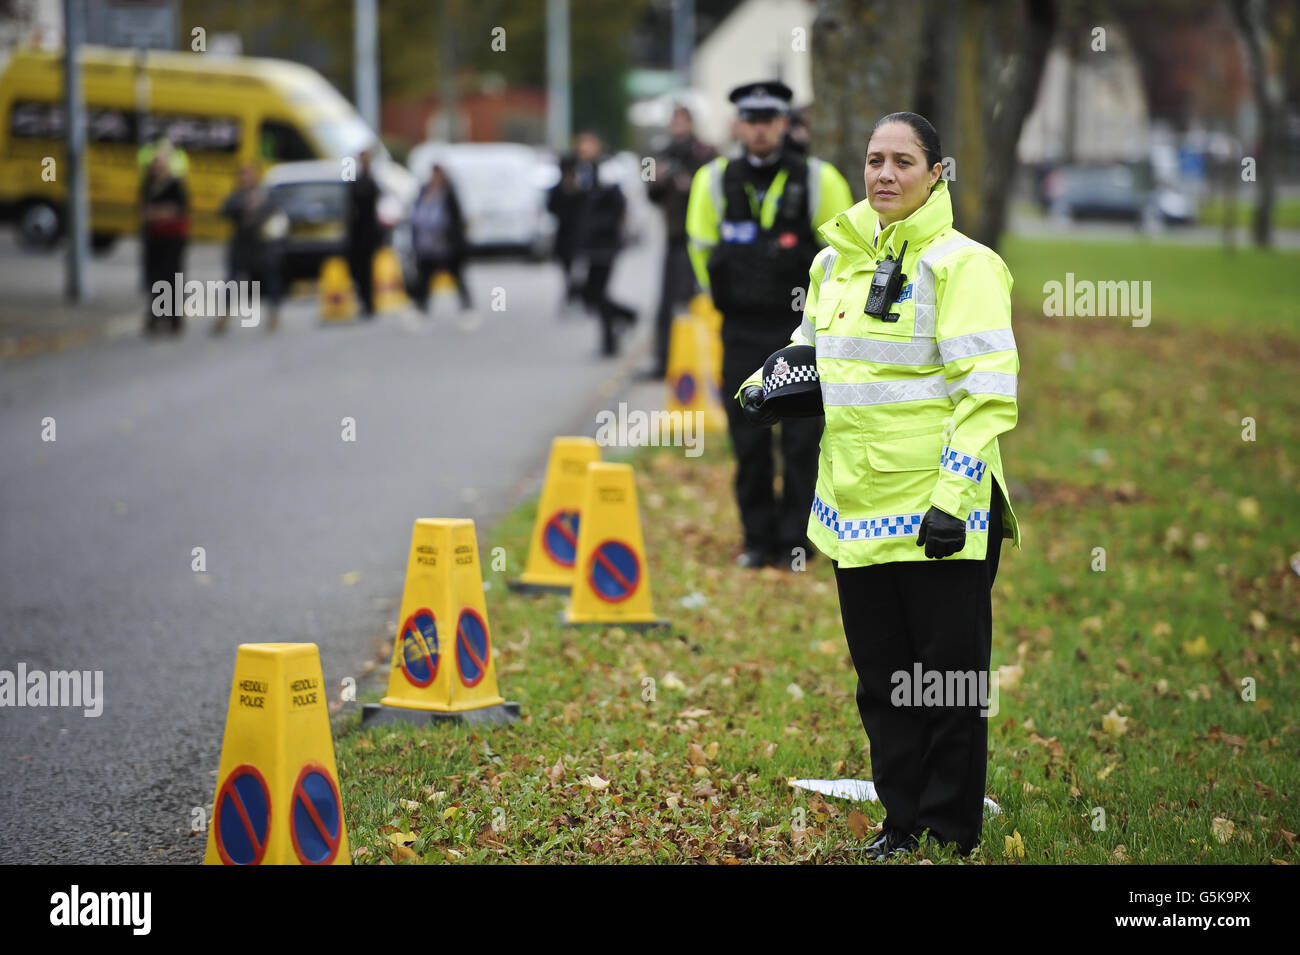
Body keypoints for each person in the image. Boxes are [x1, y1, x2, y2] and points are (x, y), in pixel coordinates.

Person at [735, 111, 1023, 860]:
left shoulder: (965, 265)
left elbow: (985, 395)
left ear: (937, 174)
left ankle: (953, 830)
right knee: (884, 684)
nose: (885, 174)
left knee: (948, 684)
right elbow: (811, 351)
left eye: (903, 160)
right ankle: (902, 823)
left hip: (940, 516)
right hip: (856, 515)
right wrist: (762, 386)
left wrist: (955, 500)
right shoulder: (834, 263)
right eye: (873, 160)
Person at [685, 81, 853, 569]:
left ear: (785, 123)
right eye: (751, 121)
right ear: (739, 126)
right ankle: (757, 540)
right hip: (740, 330)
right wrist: (725, 299)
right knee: (749, 439)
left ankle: (796, 543)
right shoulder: (715, 180)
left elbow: (842, 252)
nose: (760, 130)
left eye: (769, 120)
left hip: (800, 335)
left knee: (802, 441)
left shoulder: (819, 179)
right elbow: (699, 246)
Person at [645, 106, 716, 379]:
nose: (678, 128)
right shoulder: (663, 154)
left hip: (699, 237)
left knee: (697, 302)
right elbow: (651, 193)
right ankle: (664, 361)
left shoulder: (704, 152)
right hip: (674, 235)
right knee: (666, 305)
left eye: (682, 122)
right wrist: (660, 180)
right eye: (674, 123)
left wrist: (692, 181)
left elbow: (713, 184)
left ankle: (700, 363)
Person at [572, 131, 637, 356]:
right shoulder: (582, 171)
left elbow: (617, 206)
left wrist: (601, 227)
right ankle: (626, 317)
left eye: (588, 144)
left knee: (597, 292)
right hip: (590, 244)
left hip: (605, 244)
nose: (584, 149)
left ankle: (610, 342)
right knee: (593, 294)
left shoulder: (607, 171)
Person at [215, 162, 284, 333]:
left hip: (261, 246)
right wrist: (244, 207)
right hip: (241, 247)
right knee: (232, 282)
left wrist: (259, 208)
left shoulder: (265, 195)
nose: (245, 178)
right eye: (243, 175)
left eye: (249, 174)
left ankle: (273, 314)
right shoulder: (237, 196)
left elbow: (276, 214)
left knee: (270, 279)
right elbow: (224, 211)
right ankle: (224, 316)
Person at [409, 164, 473, 317]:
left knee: (456, 276)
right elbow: (417, 215)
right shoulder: (425, 191)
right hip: (427, 244)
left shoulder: (448, 192)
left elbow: (456, 219)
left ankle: (467, 307)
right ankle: (422, 307)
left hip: (446, 244)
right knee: (425, 277)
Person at [140, 147, 190, 336]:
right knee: (156, 278)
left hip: (173, 240)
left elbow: (179, 209)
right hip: (154, 238)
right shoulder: (149, 184)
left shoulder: (175, 185)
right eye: (156, 164)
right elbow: (144, 210)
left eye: (161, 164)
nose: (158, 168)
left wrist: (159, 213)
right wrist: (158, 212)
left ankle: (174, 318)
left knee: (172, 278)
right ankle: (156, 315)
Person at [346, 148, 381, 318]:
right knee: (356, 268)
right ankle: (364, 301)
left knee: (366, 269)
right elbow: (348, 193)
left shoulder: (371, 179)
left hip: (367, 232)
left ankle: (369, 303)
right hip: (356, 231)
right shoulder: (356, 177)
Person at [547, 155, 584, 307]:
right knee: (566, 265)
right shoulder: (558, 190)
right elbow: (551, 207)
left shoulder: (580, 190)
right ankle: (571, 291)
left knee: (578, 266)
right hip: (564, 234)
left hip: (578, 234)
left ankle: (576, 291)